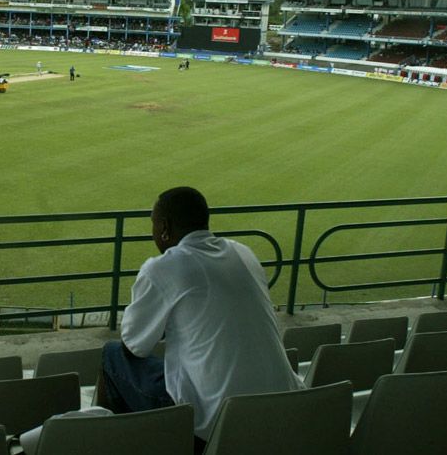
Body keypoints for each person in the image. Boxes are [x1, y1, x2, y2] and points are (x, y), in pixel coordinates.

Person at [96, 186, 300, 451]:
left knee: (111, 356)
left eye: (154, 225)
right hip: (288, 410)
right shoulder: (243, 253)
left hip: (212, 422)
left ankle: (108, 442)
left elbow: (134, 344)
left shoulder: (163, 267)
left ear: (165, 227)